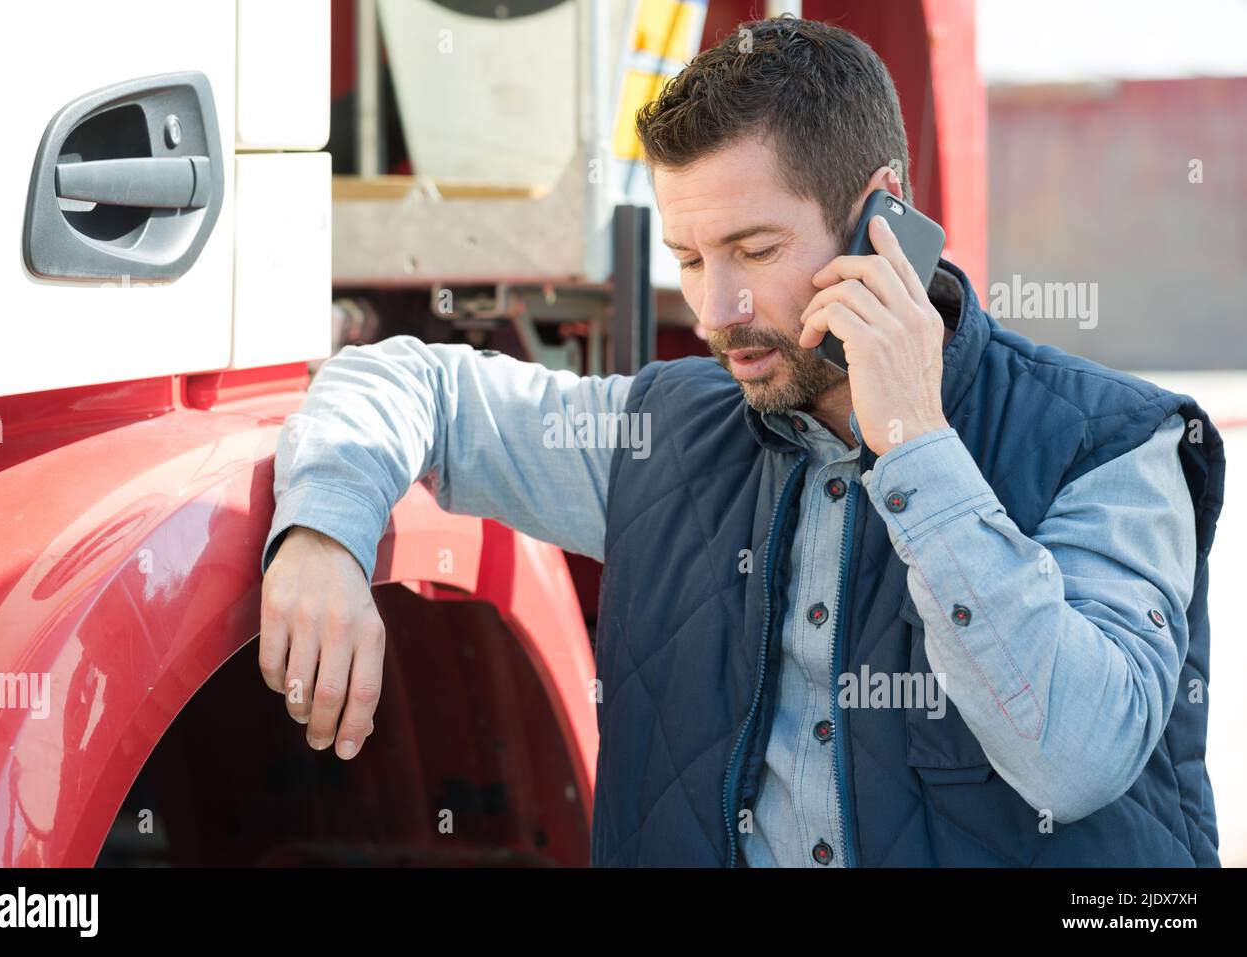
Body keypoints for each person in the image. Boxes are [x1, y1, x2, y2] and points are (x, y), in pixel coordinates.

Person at [259, 15, 1225, 867]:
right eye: (688, 258)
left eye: (756, 251)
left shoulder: (1117, 447)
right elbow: (412, 379)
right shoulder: (659, 436)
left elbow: (1075, 755)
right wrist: (324, 534)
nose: (719, 309)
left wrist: (918, 450)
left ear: (882, 216)